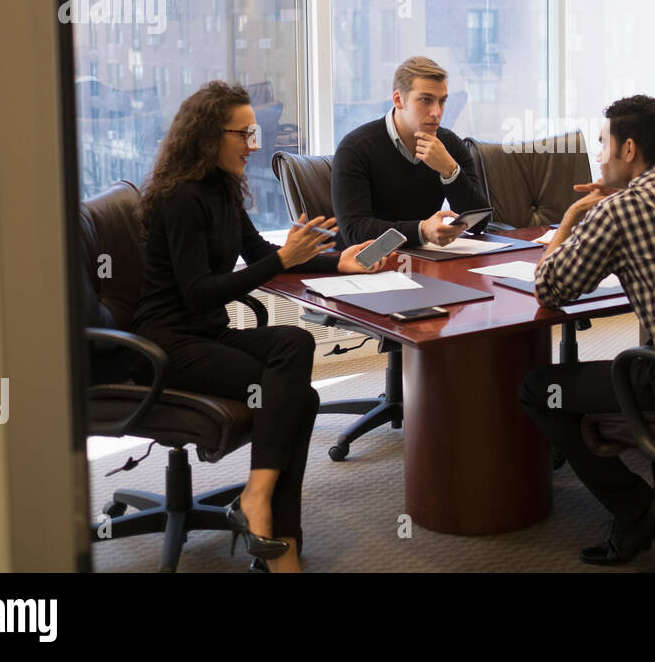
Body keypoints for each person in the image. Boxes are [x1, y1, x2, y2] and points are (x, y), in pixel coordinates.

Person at [131, 81, 391, 572]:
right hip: (168, 341)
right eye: (244, 133)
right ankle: (277, 534)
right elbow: (198, 292)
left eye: (254, 132)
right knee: (297, 398)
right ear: (209, 135)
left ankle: (263, 507)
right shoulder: (180, 198)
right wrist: (282, 258)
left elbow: (261, 257)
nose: (255, 144)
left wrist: (342, 263)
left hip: (207, 333)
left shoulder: (223, 188)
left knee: (294, 345)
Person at [519, 95, 655, 566]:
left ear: (630, 150)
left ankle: (636, 509)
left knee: (537, 389)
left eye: (604, 143)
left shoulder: (619, 211)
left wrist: (570, 218)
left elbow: (550, 287)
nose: (599, 155)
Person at [332, 56, 488, 248]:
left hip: (425, 259)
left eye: (442, 101)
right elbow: (355, 231)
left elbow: (480, 223)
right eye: (426, 100)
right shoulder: (355, 149)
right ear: (399, 100)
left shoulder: (449, 145)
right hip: (366, 266)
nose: (436, 112)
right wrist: (422, 231)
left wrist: (450, 171)